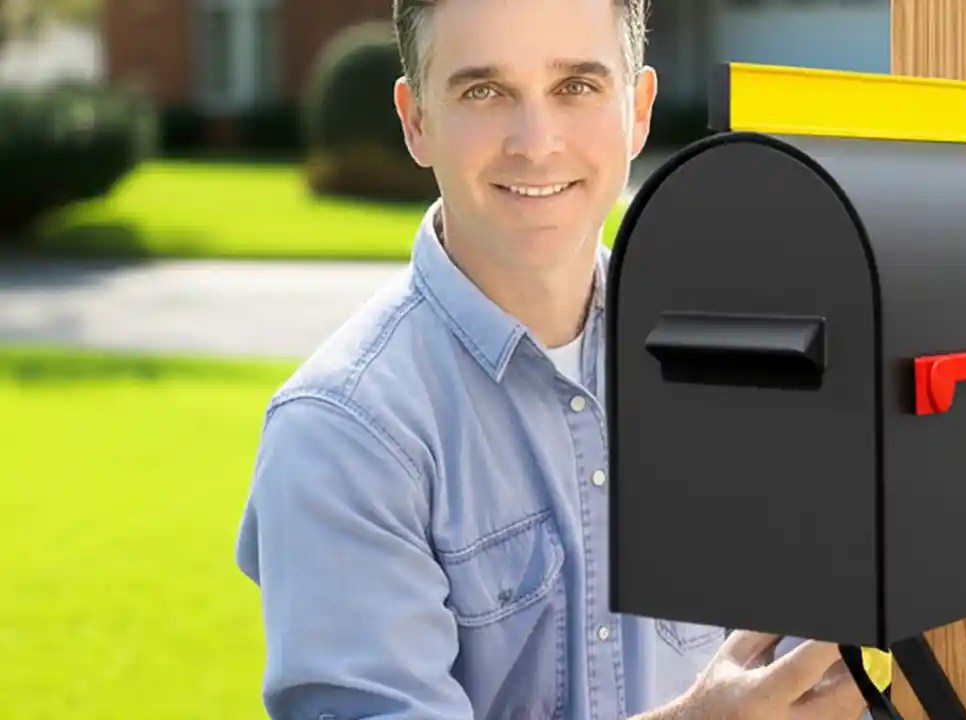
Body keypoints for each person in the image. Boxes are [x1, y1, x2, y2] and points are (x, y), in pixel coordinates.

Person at [234, 0, 872, 717]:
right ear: (417, 121)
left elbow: (792, 662)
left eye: (576, 87)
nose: (535, 143)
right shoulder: (342, 434)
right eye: (484, 91)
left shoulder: (725, 362)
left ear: (638, 109)